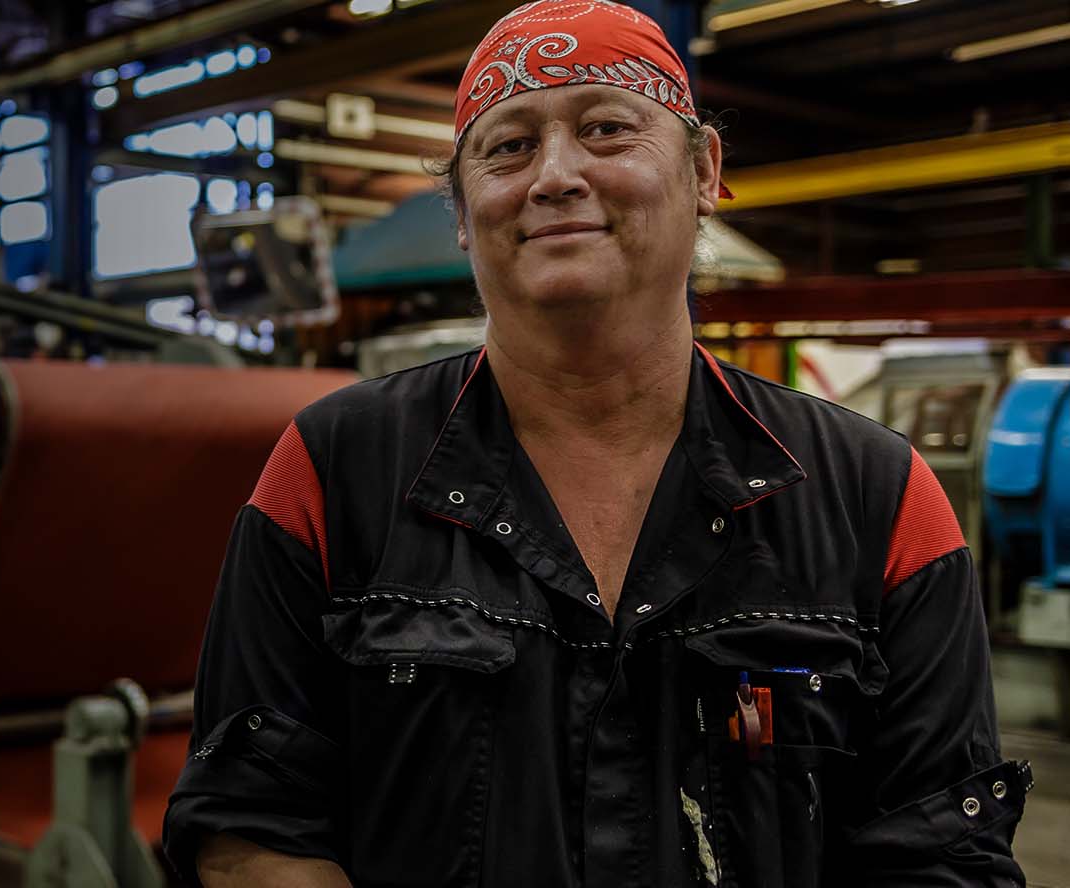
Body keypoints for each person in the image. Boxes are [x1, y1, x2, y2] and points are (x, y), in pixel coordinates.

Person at [160, 1, 1030, 885]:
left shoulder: (879, 498)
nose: (554, 175)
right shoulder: (330, 472)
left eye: (607, 129)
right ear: (462, 211)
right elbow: (249, 830)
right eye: (508, 146)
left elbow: (941, 858)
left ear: (704, 170)